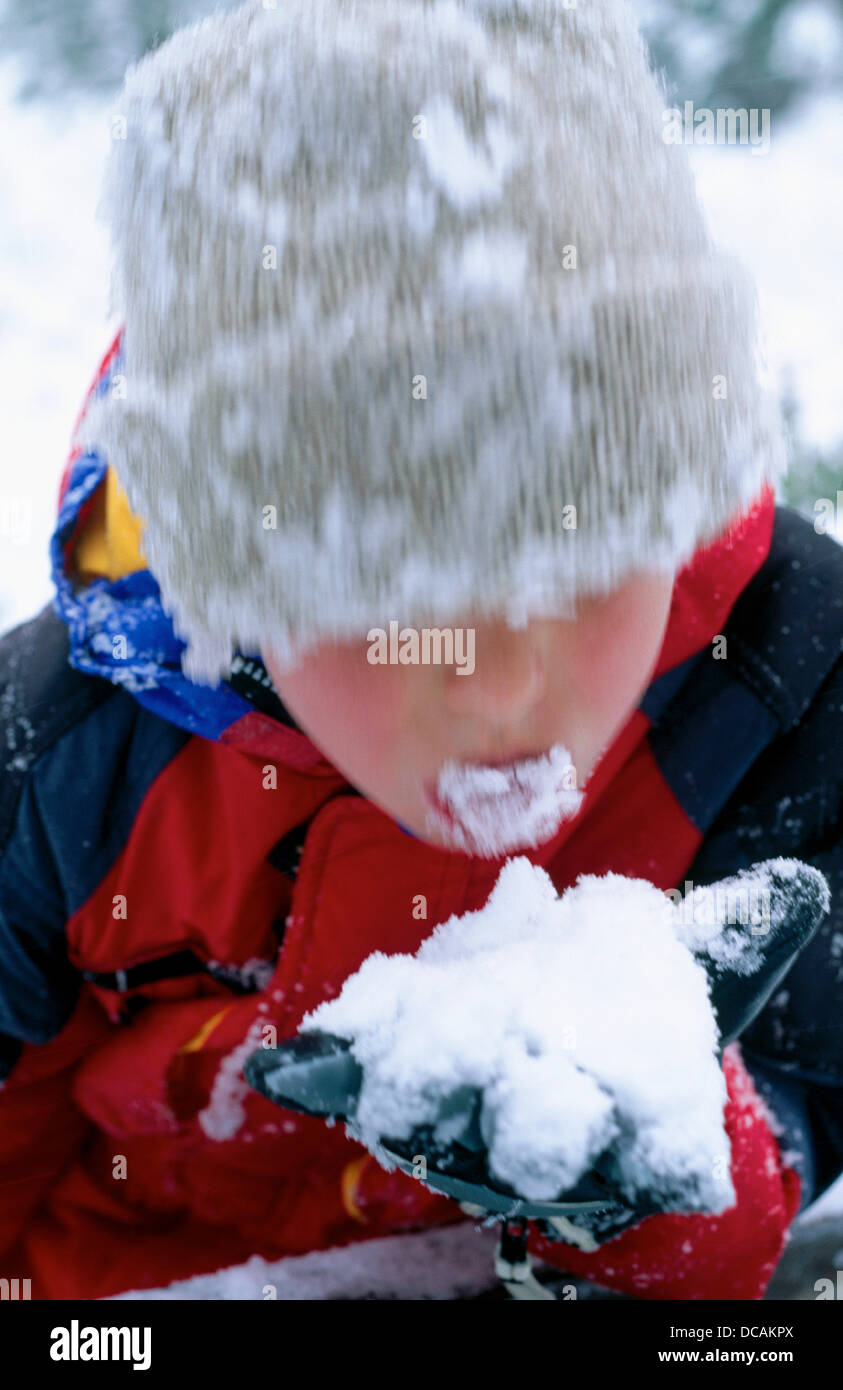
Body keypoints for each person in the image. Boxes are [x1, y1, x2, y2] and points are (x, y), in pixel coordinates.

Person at [0, 0, 840, 1300]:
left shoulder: (792, 683)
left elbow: (803, 1121)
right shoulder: (62, 759)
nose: (504, 686)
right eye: (378, 592)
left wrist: (669, 1159)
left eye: (581, 564)